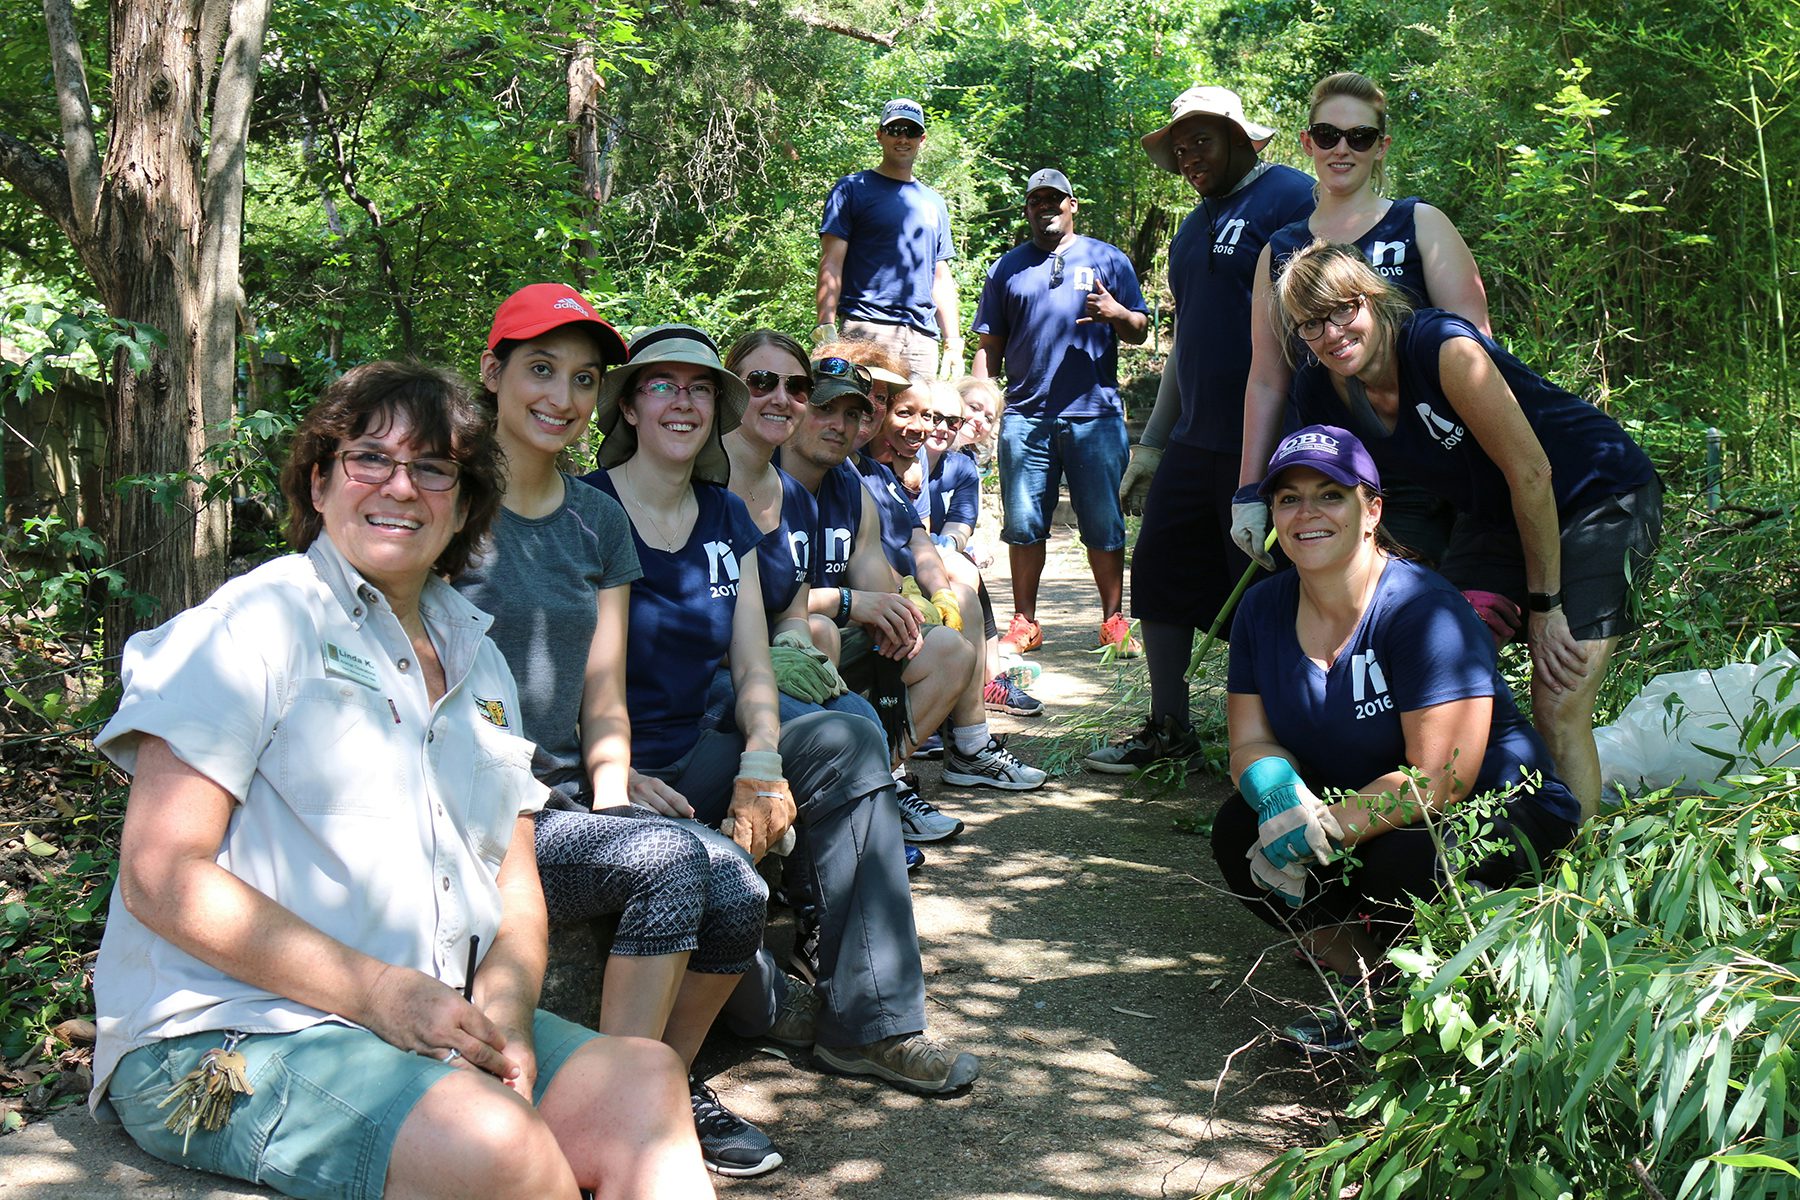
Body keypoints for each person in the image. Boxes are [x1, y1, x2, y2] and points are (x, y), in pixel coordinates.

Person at [88, 361, 709, 1199]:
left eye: (432, 468)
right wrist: (381, 994)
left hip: (421, 1021)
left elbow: (514, 881)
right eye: (368, 459)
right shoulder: (255, 623)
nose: (400, 487)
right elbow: (161, 878)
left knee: (644, 1083)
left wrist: (511, 1013)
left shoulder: (478, 657)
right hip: (227, 1032)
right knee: (495, 1144)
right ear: (319, 481)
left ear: (464, 504)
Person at [579, 325, 980, 1096]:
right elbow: (566, 670)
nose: (684, 402)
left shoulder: (725, 516)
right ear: (628, 405)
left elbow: (753, 658)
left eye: (699, 389)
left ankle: (875, 1027)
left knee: (847, 741)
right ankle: (762, 1001)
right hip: (619, 765)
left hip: (707, 745)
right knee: (752, 988)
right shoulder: (587, 511)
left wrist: (763, 758)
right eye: (662, 385)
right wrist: (614, 769)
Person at [453, 285, 782, 1176]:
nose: (562, 397)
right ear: (494, 374)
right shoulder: (445, 504)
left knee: (738, 886)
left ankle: (660, 1088)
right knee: (673, 861)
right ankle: (619, 1118)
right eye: (540, 370)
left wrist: (612, 795)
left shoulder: (596, 519)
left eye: (582, 378)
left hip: (558, 806)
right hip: (464, 815)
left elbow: (603, 692)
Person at [1211, 425, 1579, 1049]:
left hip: (1494, 811)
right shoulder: (1262, 609)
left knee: (1403, 855)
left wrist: (1325, 829)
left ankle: (1457, 989)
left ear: (1371, 509)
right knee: (1238, 831)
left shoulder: (1423, 610)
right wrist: (1279, 796)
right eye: (1289, 498)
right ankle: (1371, 988)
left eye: (1330, 495)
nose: (1307, 514)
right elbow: (1248, 742)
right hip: (1367, 798)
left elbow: (1441, 779)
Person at [1275, 241, 1662, 821]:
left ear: (1372, 297)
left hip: (1597, 495)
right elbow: (1345, 501)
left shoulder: (1441, 347)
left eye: (1342, 310)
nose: (1331, 333)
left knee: (1557, 696)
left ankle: (1569, 881)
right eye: (1310, 324)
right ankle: (1460, 836)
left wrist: (1545, 606)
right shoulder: (1319, 389)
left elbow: (1531, 472)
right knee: (1436, 659)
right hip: (1494, 514)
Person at [1086, 85, 1315, 775]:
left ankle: (1286, 741)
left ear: (1242, 137)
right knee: (1158, 570)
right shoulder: (1190, 229)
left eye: (1202, 141)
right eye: (1179, 148)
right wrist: (1153, 443)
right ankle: (1169, 726)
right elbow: (1185, 342)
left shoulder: (1291, 198)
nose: (1189, 156)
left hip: (1275, 433)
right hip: (1196, 435)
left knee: (1269, 586)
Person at [1232, 71, 1490, 570]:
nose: (1341, 149)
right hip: (1328, 474)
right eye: (1327, 135)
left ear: (1381, 146)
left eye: (1360, 136)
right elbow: (1267, 378)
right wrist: (1248, 489)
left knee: (1405, 612)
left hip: (1427, 472)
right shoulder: (1280, 249)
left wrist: (1486, 474)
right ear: (1307, 142)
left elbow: (1478, 352)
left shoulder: (1420, 224)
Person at [719, 329, 962, 850]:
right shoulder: (757, 476)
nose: (839, 426)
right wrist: (853, 603)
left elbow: (875, 575)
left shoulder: (849, 484)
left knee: (947, 649)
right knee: (818, 630)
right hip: (762, 651)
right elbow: (759, 602)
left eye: (853, 415)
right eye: (826, 410)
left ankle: (877, 786)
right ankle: (836, 804)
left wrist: (905, 614)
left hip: (819, 642)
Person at [803, 341, 1049, 778]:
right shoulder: (800, 474)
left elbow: (915, 540)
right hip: (811, 627)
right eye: (833, 406)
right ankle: (882, 782)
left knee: (957, 598)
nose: (864, 413)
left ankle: (958, 751)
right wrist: (873, 603)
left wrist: (928, 599)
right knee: (829, 630)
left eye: (875, 400)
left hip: (851, 612)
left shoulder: (870, 474)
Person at [971, 167, 1149, 658]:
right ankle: (1025, 622)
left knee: (1102, 520)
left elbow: (1140, 328)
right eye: (1036, 201)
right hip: (1027, 417)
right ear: (1028, 209)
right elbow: (990, 345)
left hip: (1095, 413)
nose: (1045, 206)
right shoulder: (1008, 268)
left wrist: (1117, 315)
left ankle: (1114, 621)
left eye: (1055, 198)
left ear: (1073, 205)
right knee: (1025, 523)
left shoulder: (1107, 259)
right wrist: (983, 396)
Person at [816, 98, 963, 382]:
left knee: (916, 423)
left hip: (922, 338)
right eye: (895, 129)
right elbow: (831, 262)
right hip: (866, 328)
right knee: (861, 419)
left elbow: (941, 278)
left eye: (910, 131)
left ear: (922, 139)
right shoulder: (852, 189)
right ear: (880, 134)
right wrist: (826, 327)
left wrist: (953, 341)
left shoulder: (934, 203)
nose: (903, 138)